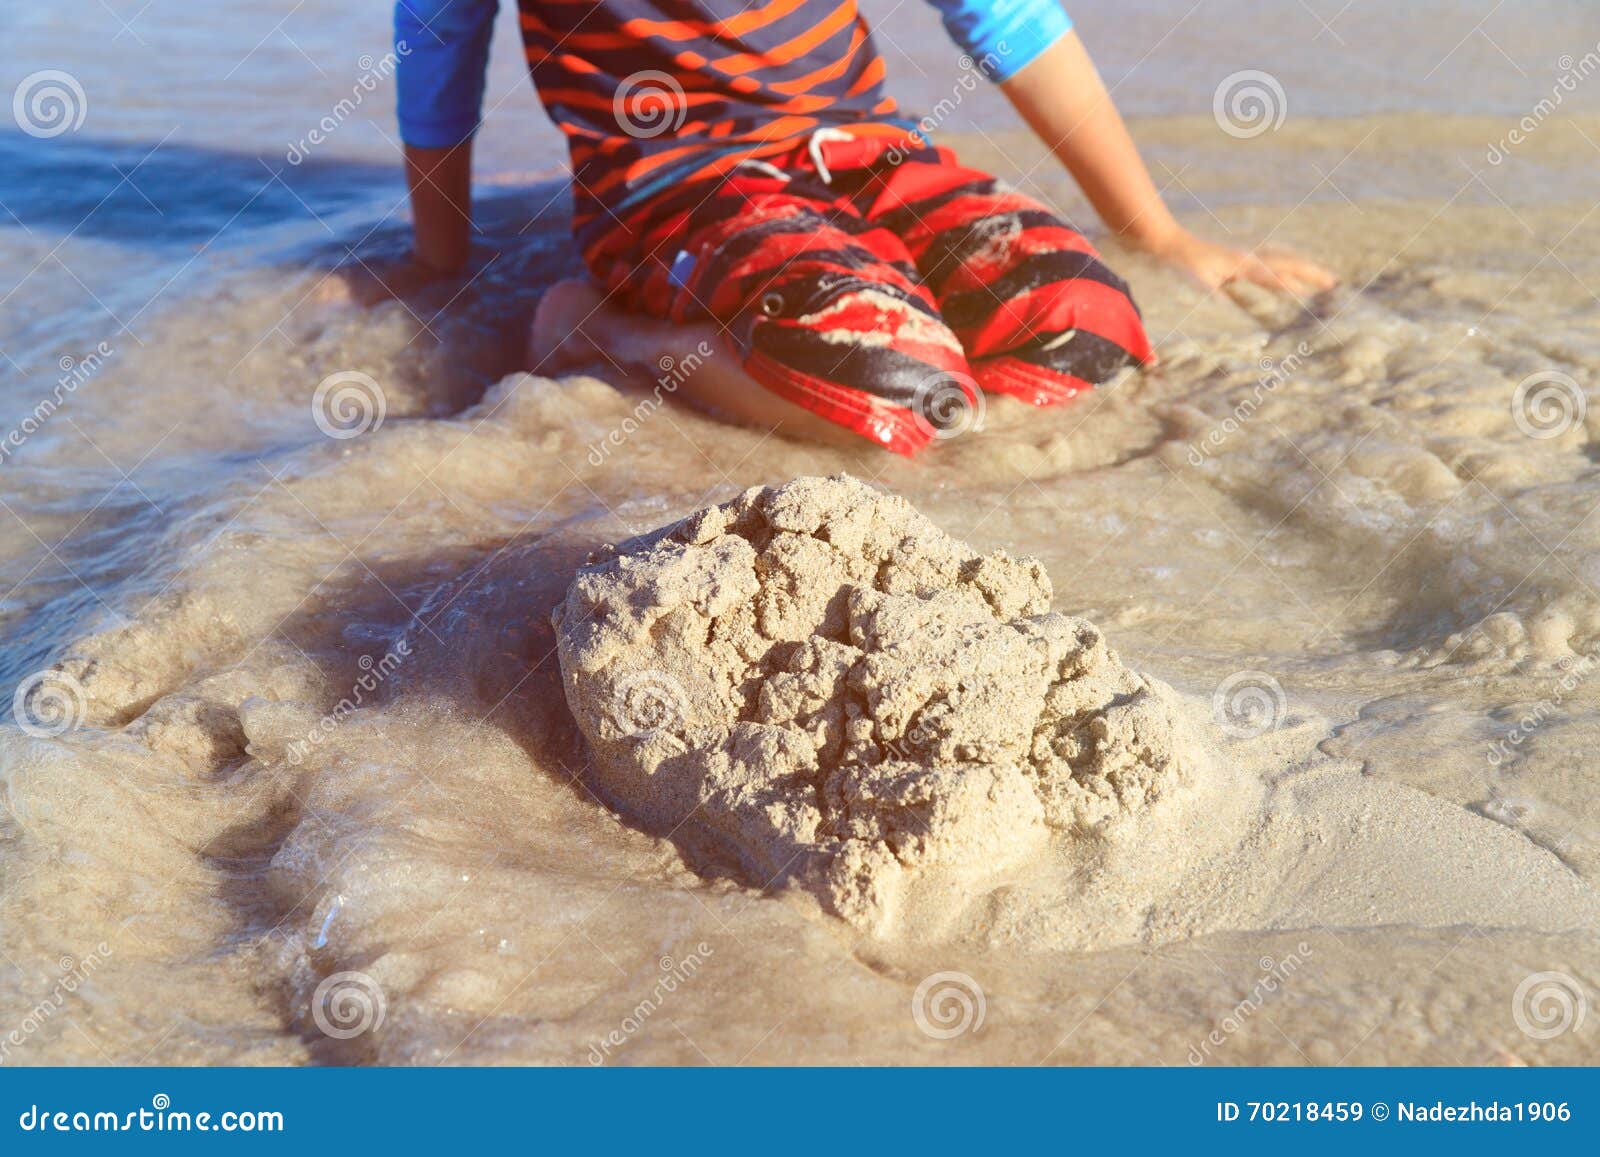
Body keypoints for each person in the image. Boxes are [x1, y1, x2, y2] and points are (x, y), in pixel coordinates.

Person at [359, 0, 1336, 453]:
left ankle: (879, 313)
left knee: (1085, 329)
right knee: (896, 398)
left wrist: (1158, 234)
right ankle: (596, 329)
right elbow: (438, 41)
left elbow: (1007, 20)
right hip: (677, 185)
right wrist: (435, 259)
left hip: (860, 152)